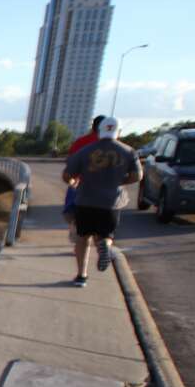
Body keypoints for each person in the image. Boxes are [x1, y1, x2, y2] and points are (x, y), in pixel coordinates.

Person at [62, 116, 142, 287]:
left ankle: (81, 276)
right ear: (118, 131)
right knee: (105, 234)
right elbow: (137, 176)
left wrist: (73, 184)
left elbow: (67, 175)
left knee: (83, 238)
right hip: (111, 202)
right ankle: (105, 245)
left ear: (99, 131)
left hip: (85, 200)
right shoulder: (128, 151)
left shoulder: (85, 150)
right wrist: (120, 181)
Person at [63, 115, 105, 244]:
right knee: (99, 216)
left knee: (72, 213)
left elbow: (70, 163)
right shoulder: (111, 145)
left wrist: (71, 180)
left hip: (79, 184)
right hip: (103, 187)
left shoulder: (81, 142)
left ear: (92, 126)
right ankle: (100, 240)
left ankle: (78, 235)